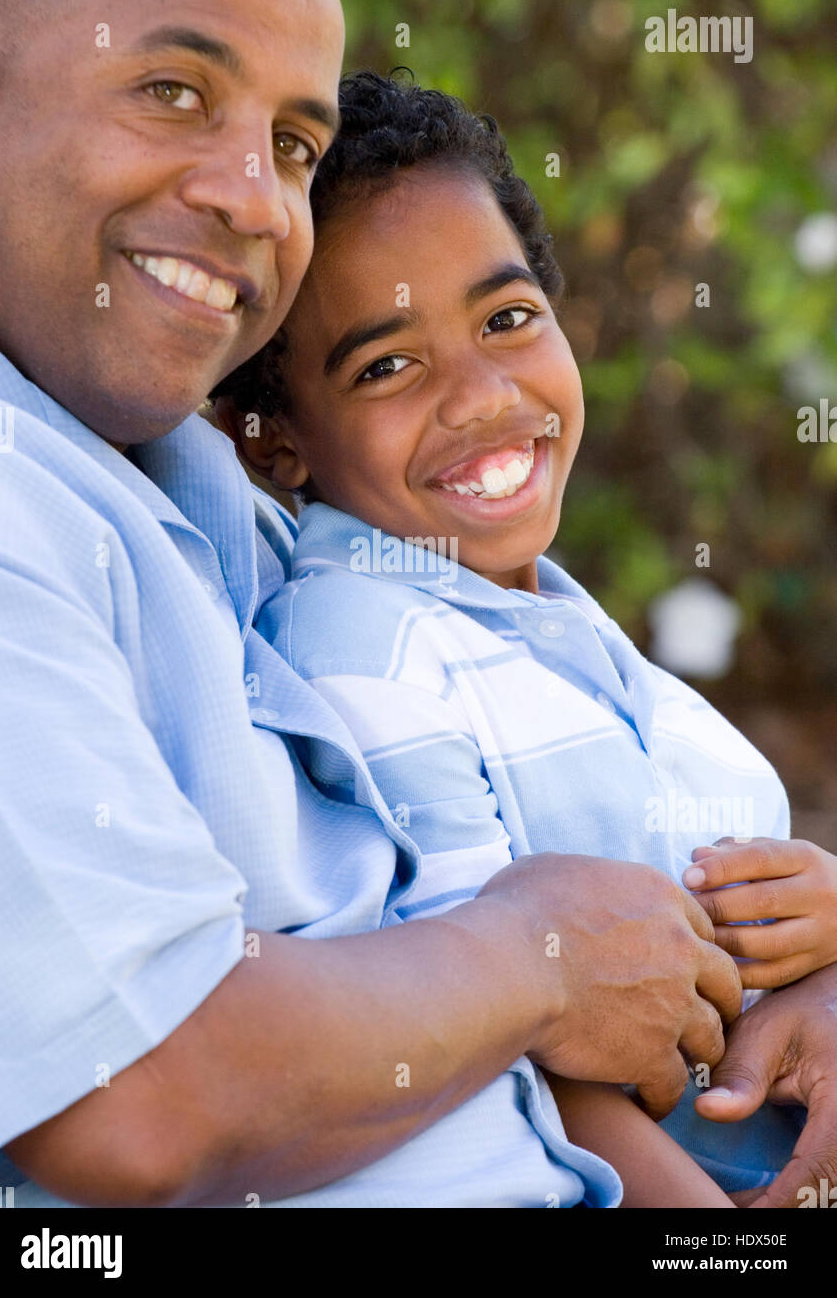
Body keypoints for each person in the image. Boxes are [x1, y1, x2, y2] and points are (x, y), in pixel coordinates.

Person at [0, 0, 832, 1211]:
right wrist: (536, 963)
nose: (252, 195)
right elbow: (134, 1099)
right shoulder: (11, 508)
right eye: (171, 90)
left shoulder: (187, 466)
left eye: (291, 143)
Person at [218, 72, 836, 1203]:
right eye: (386, 365)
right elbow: (521, 1048)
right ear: (277, 444)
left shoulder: (538, 612)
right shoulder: (363, 645)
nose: (480, 395)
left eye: (506, 320)